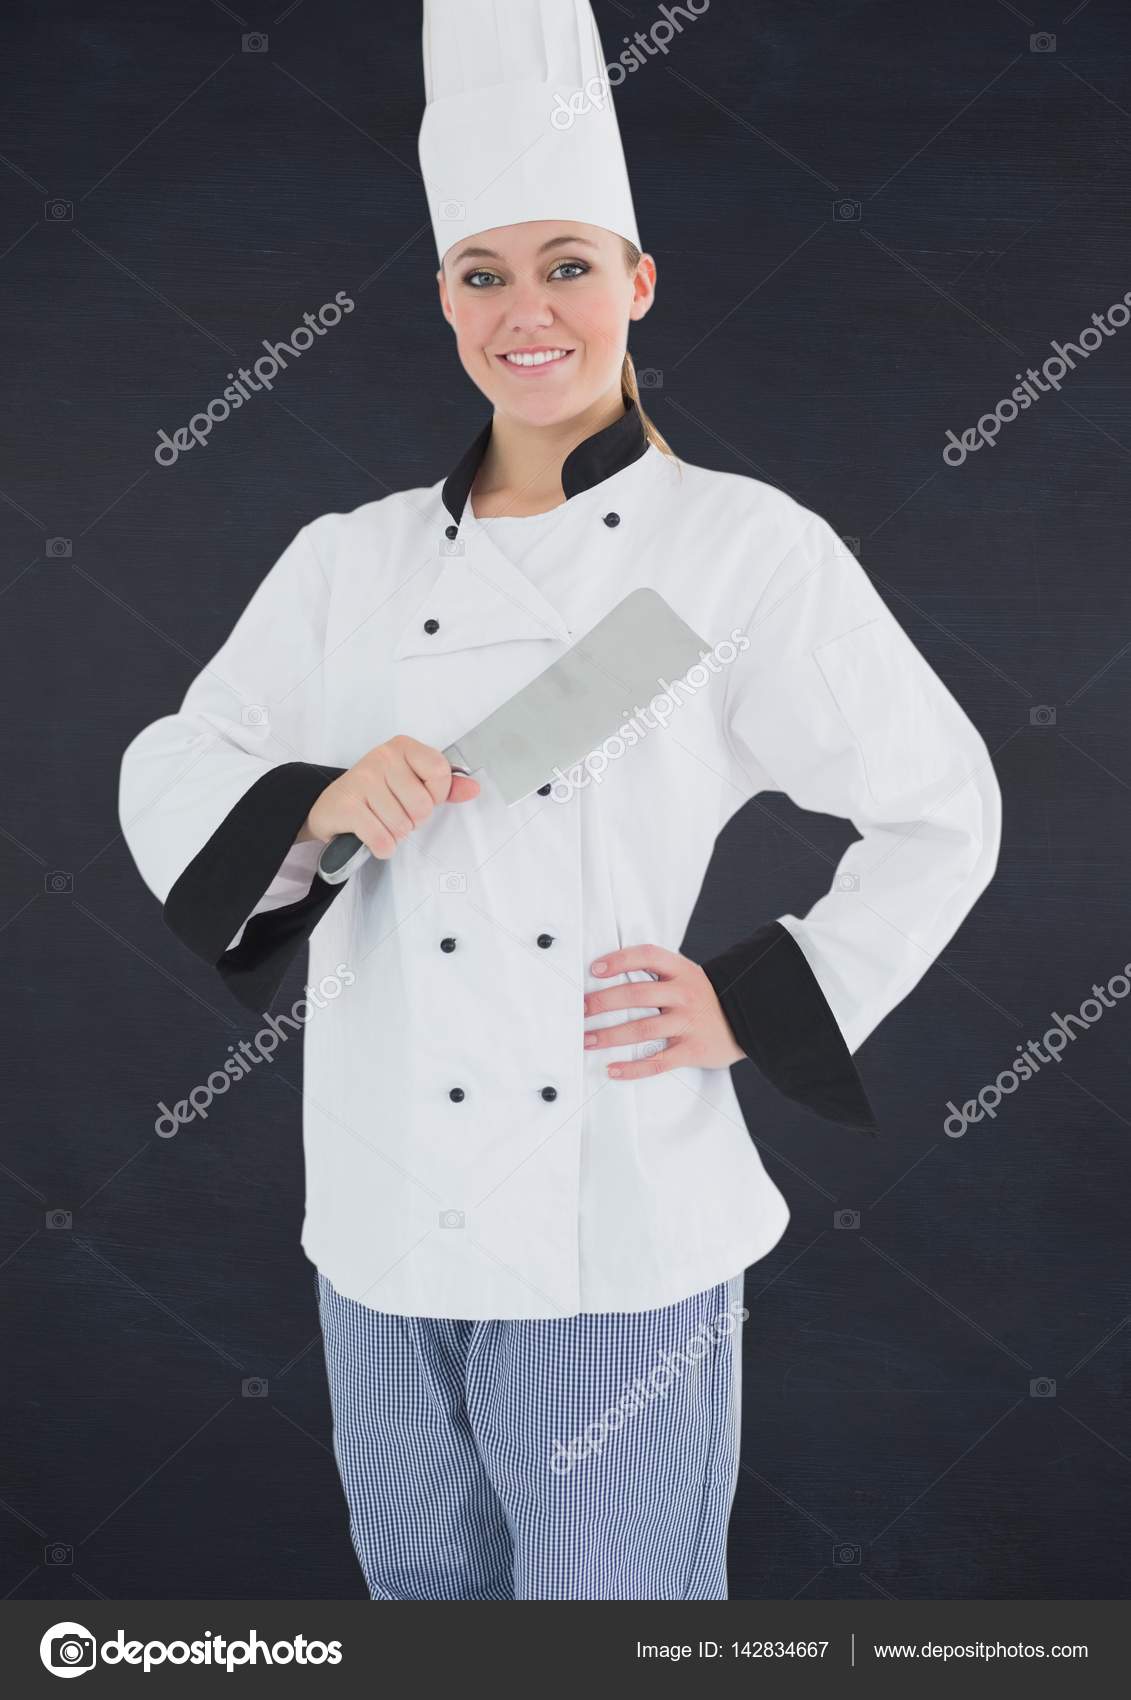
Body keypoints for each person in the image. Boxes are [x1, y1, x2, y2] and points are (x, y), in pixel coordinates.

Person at [118, 0, 1001, 1600]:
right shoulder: (348, 559)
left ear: (639, 281)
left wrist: (760, 999)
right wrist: (314, 800)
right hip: (382, 1223)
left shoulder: (741, 550)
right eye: (483, 274)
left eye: (568, 265)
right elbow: (176, 759)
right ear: (442, 298)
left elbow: (944, 807)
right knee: (425, 1612)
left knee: (614, 1626)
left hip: (618, 1222)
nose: (527, 313)